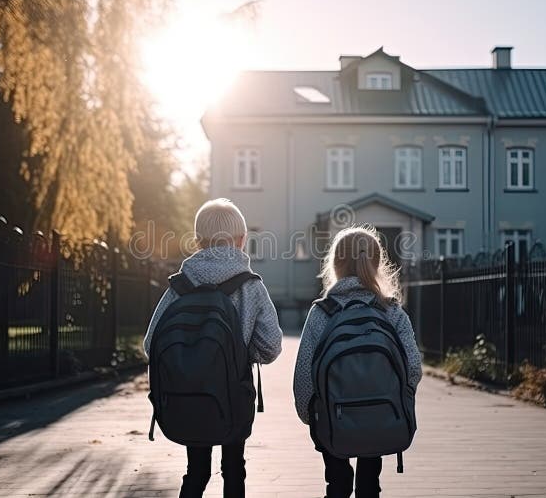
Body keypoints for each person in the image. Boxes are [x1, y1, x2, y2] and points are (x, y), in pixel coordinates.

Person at [143, 198, 283, 498]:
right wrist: (241, 353)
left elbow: (150, 343)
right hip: (233, 395)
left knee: (196, 471)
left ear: (197, 241)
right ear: (242, 240)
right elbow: (271, 347)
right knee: (234, 467)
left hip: (187, 396)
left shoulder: (179, 286)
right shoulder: (251, 286)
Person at [293, 225, 422, 498]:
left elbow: (304, 375)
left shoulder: (322, 312)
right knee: (369, 484)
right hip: (380, 414)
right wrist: (397, 403)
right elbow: (412, 368)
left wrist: (313, 419)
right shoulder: (391, 310)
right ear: (376, 263)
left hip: (333, 416)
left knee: (337, 485)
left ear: (336, 265)